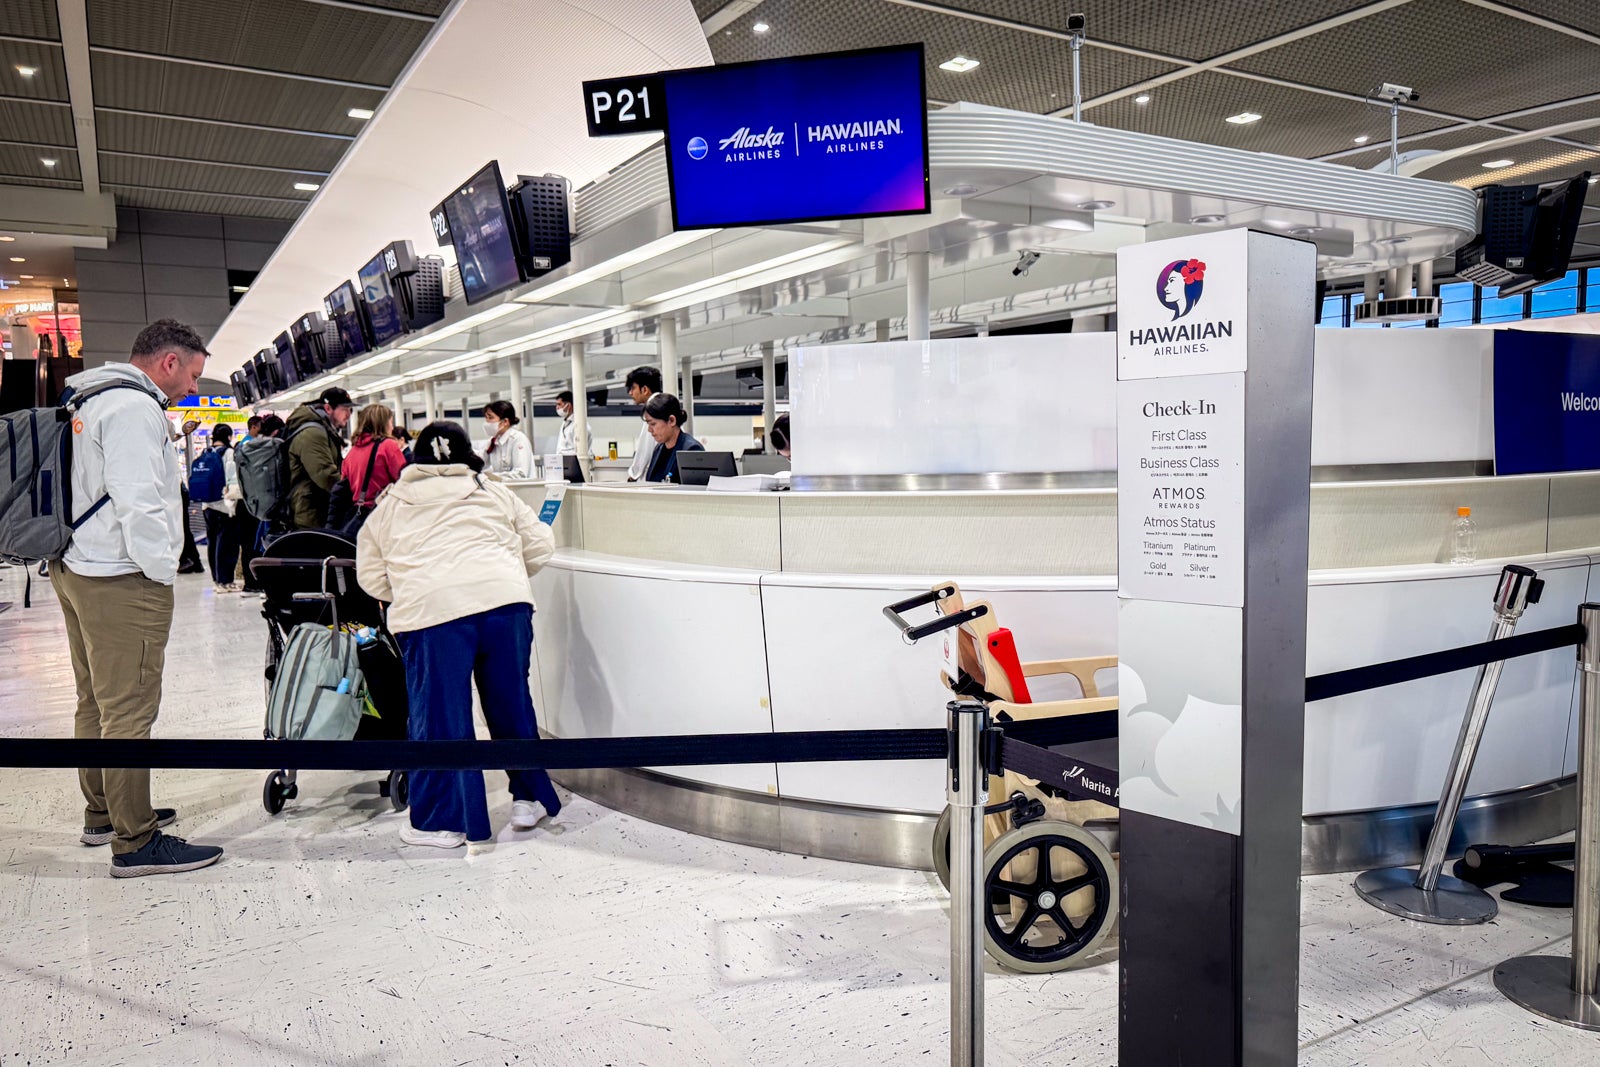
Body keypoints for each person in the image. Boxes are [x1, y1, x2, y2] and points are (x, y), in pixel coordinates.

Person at [56, 318, 224, 876]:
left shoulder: (90, 395)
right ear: (169, 362)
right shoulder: (133, 407)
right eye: (193, 375)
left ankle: (104, 812)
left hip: (77, 565)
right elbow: (140, 500)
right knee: (128, 707)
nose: (194, 388)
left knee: (95, 700)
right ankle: (135, 841)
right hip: (120, 577)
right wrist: (161, 572)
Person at [355, 421, 560, 847]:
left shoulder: (391, 504)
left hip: (432, 614)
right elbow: (540, 545)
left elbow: (370, 576)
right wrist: (502, 574)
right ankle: (528, 800)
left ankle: (442, 823)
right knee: (511, 704)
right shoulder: (493, 490)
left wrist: (412, 590)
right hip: (505, 605)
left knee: (440, 717)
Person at [284, 386, 353, 530]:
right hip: (310, 513)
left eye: (350, 410)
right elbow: (325, 474)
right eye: (344, 409)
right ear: (328, 408)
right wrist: (353, 491)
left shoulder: (323, 430)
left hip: (316, 509)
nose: (348, 414)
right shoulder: (313, 433)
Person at [341, 403, 408, 511]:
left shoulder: (351, 453)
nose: (392, 427)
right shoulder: (388, 446)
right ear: (383, 424)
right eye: (391, 422)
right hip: (383, 510)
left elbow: (344, 485)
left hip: (359, 511)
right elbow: (404, 479)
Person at [198, 424, 240, 593]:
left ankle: (216, 579)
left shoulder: (205, 452)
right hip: (224, 505)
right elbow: (232, 478)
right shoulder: (229, 453)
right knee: (227, 543)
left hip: (207, 504)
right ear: (228, 437)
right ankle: (226, 581)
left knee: (213, 542)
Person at [641, 393, 704, 484]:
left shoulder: (691, 450)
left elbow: (695, 490)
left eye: (653, 424)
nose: (649, 430)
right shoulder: (658, 449)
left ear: (671, 420)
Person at [624, 366, 662, 481]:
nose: (630, 393)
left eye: (633, 388)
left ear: (644, 389)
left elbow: (645, 448)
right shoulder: (662, 403)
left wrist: (633, 475)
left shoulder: (653, 409)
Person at [479, 400, 534, 479]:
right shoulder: (493, 441)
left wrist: (491, 477)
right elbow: (480, 462)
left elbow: (521, 474)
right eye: (486, 418)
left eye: (490, 418)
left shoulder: (518, 439)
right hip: (502, 486)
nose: (487, 422)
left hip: (520, 486)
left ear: (505, 421)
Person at [555, 390, 591, 457]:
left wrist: (562, 454)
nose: (557, 407)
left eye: (559, 404)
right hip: (564, 461)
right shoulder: (565, 423)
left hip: (576, 462)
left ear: (568, 405)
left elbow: (579, 451)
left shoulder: (579, 424)